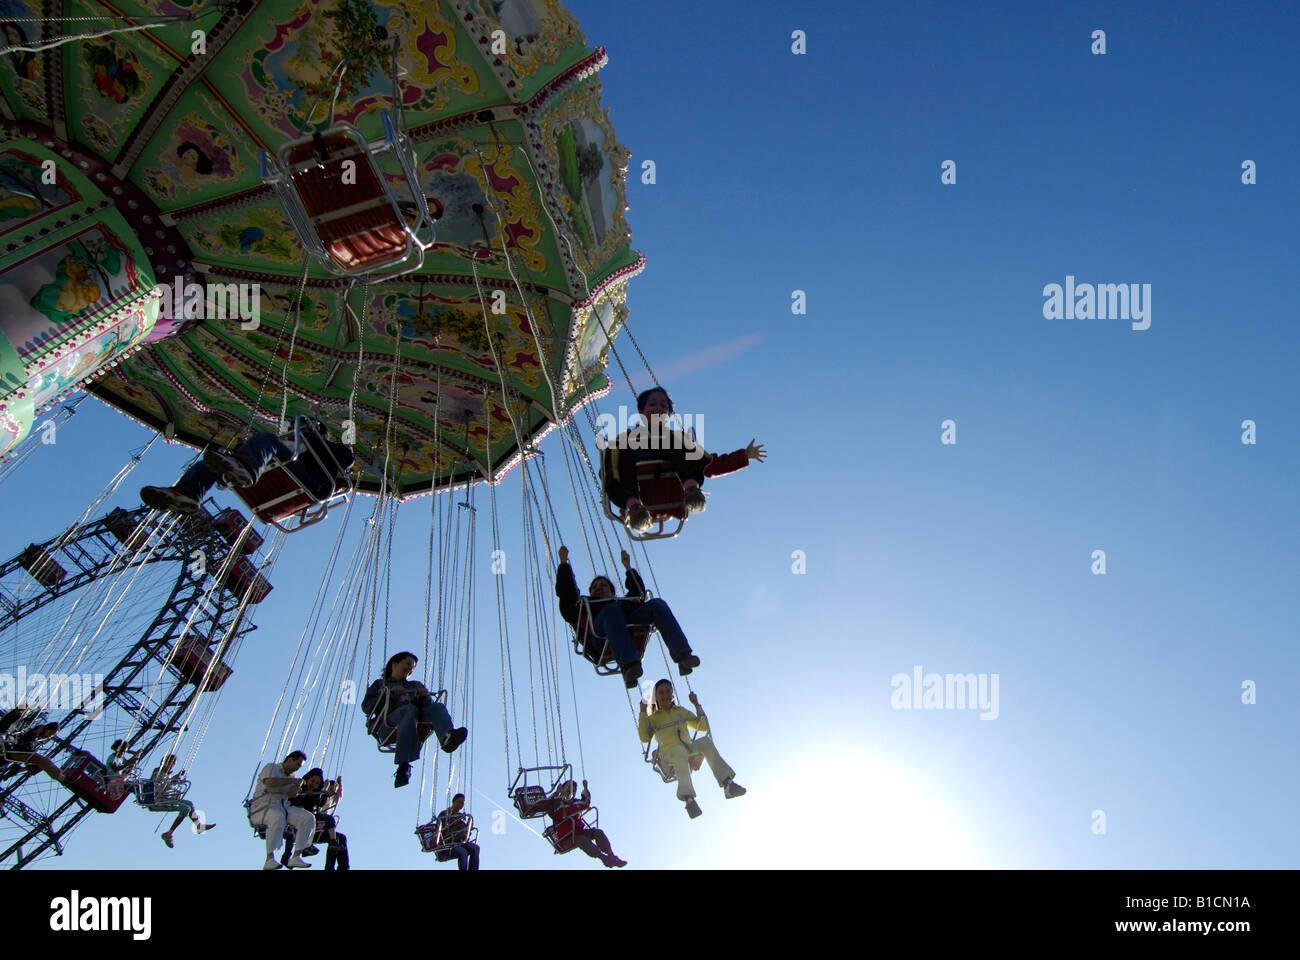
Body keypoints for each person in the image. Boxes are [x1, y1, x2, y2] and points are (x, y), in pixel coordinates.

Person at [602, 386, 767, 533]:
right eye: (652, 405)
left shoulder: (676, 439)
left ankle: (691, 489)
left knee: (683, 444)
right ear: (641, 412)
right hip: (636, 493)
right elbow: (612, 472)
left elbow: (709, 465)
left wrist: (743, 456)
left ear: (668, 415)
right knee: (616, 448)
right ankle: (634, 505)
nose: (658, 408)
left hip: (672, 495)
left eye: (663, 406)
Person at [555, 546, 700, 688]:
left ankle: (683, 656)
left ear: (612, 592)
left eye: (603, 586)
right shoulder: (584, 607)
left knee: (657, 604)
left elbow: (637, 593)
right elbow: (567, 597)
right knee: (611, 610)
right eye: (595, 587)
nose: (598, 588)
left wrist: (628, 568)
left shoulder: (621, 604)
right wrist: (563, 565)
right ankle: (629, 666)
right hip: (598, 637)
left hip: (624, 623)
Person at [140, 419, 354, 515]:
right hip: (279, 474)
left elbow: (346, 459)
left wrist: (315, 438)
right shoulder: (294, 444)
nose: (293, 429)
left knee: (269, 439)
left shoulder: (326, 450)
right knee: (219, 457)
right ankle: (188, 493)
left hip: (306, 482)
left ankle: (247, 468)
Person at [639, 680, 745, 819]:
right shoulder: (654, 718)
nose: (665, 695)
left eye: (668, 692)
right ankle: (688, 799)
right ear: (657, 697)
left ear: (672, 695)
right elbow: (645, 737)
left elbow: (703, 726)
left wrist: (696, 705)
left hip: (687, 748)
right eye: (661, 693)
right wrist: (642, 712)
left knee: (705, 742)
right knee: (678, 751)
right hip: (669, 754)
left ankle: (727, 784)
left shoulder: (680, 711)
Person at [361, 652, 467, 789]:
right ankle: (403, 765)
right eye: (408, 663)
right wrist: (389, 693)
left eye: (413, 667)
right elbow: (366, 707)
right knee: (409, 710)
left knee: (438, 707)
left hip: (413, 720)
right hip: (387, 724)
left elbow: (427, 708)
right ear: (395, 664)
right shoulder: (380, 684)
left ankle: (447, 737)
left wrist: (423, 696)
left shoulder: (414, 685)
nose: (410, 668)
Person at [248, 749, 316, 870]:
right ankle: (269, 859)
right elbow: (269, 782)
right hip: (263, 807)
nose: (297, 769)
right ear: (290, 759)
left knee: (308, 818)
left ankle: (296, 856)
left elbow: (291, 795)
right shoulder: (271, 768)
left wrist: (296, 787)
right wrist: (291, 781)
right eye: (297, 764)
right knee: (277, 818)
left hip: (283, 807)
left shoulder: (292, 777)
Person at [137, 754, 215, 848]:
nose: (172, 765)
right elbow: (160, 786)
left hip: (163, 799)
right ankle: (169, 833)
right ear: (165, 762)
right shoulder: (158, 771)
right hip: (156, 800)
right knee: (185, 809)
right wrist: (174, 779)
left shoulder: (167, 774)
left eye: (173, 763)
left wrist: (176, 778)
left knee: (189, 803)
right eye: (170, 762)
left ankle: (199, 826)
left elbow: (166, 785)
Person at [545, 780, 625, 868]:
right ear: (563, 791)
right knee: (581, 839)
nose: (571, 792)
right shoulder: (557, 805)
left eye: (573, 790)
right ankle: (604, 858)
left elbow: (586, 803)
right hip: (566, 838)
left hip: (579, 832)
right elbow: (547, 807)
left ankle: (611, 856)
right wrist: (557, 792)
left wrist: (585, 788)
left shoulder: (576, 803)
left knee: (598, 832)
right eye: (568, 789)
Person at [280, 769, 349, 871]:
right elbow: (294, 801)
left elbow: (328, 799)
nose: (314, 784)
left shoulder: (320, 796)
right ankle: (292, 855)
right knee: (327, 823)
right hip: (304, 825)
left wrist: (337, 785)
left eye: (316, 783)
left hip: (314, 828)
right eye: (312, 781)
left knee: (341, 838)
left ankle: (339, 867)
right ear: (307, 780)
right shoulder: (299, 790)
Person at [435, 793, 480, 871]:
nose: (460, 804)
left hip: (459, 843)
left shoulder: (462, 817)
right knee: (463, 853)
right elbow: (439, 829)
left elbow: (465, 836)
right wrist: (447, 818)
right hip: (447, 844)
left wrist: (469, 827)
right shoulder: (444, 813)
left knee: (475, 848)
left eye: (462, 803)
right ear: (453, 802)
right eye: (458, 802)